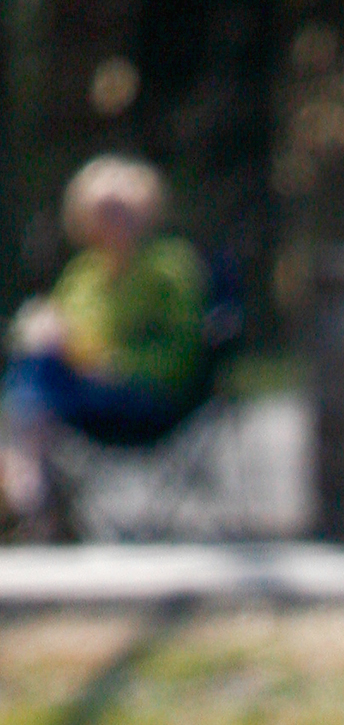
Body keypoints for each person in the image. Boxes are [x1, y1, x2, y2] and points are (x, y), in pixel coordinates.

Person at [2, 155, 207, 540]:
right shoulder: (82, 275)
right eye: (101, 212)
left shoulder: (168, 268)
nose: (112, 222)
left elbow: (183, 350)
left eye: (120, 210)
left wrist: (119, 366)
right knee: (35, 363)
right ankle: (30, 493)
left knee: (32, 388)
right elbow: (68, 339)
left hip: (146, 396)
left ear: (144, 210)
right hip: (82, 395)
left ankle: (25, 495)